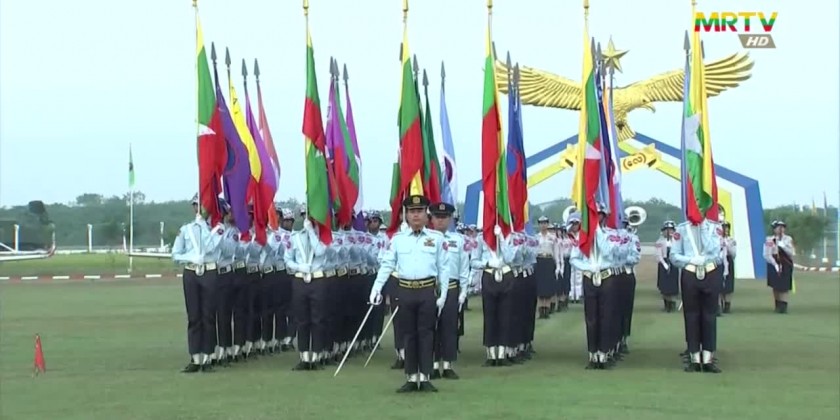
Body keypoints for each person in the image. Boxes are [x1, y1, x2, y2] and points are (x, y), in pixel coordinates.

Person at [369, 195, 449, 393]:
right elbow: (387, 264)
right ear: (406, 214)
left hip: (426, 290)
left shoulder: (436, 238)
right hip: (404, 290)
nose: (416, 215)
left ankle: (425, 376)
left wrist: (444, 294)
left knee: (426, 334)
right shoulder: (398, 240)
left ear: (426, 214)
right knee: (408, 335)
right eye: (412, 212)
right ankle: (411, 376)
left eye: (420, 211)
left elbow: (444, 268)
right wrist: (376, 287)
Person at [172, 195, 226, 373]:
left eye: (202, 206)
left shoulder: (217, 229)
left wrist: (204, 227)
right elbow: (175, 254)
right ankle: (195, 357)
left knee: (208, 316)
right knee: (194, 316)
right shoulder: (185, 230)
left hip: (209, 271)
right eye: (196, 205)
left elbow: (210, 248)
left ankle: (208, 357)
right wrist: (190, 257)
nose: (199, 209)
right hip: (191, 272)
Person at [568, 206, 622, 370]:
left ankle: (604, 354)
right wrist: (586, 267)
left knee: (606, 317)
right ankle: (593, 354)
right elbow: (573, 258)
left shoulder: (611, 235)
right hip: (590, 277)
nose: (596, 217)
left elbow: (610, 253)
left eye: (599, 215)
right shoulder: (583, 236)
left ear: (604, 217)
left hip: (606, 278)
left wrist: (597, 234)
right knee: (591, 318)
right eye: (593, 214)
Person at [670, 217, 724, 373]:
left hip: (710, 273)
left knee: (709, 316)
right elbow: (674, 255)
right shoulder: (681, 229)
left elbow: (718, 253)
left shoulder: (714, 228)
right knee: (691, 316)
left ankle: (708, 358)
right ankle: (694, 357)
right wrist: (690, 260)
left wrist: (705, 256)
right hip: (690, 273)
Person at [283, 208, 329, 371]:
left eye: (312, 215)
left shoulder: (323, 235)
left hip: (317, 279)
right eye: (306, 215)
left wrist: (311, 232)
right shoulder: (294, 237)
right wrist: (299, 266)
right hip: (300, 279)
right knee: (302, 319)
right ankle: (303, 356)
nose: (309, 218)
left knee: (317, 319)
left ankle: (316, 356)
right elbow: (287, 259)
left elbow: (320, 251)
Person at [429, 202, 469, 380]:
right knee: (431, 328)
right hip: (431, 288)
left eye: (444, 217)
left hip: (452, 288)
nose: (441, 221)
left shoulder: (459, 240)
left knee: (449, 327)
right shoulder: (426, 238)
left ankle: (448, 364)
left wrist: (464, 291)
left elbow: (464, 268)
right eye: (437, 217)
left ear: (450, 219)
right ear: (431, 219)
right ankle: (433, 364)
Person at [471, 220, 516, 367]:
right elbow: (474, 261)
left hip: (506, 275)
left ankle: (502, 353)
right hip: (489, 275)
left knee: (505, 315)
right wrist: (487, 264)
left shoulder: (509, 237)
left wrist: (502, 239)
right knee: (490, 315)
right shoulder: (480, 239)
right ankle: (491, 354)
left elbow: (510, 258)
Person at [764, 220, 795, 314]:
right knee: (775, 285)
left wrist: (783, 246)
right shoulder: (770, 239)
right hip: (773, 262)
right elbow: (767, 254)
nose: (781, 229)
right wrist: (775, 264)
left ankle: (784, 306)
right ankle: (777, 305)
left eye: (782, 227)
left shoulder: (788, 239)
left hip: (785, 263)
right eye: (778, 227)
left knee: (784, 286)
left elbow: (792, 253)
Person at [535, 217, 561, 319]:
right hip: (540, 260)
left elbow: (556, 252)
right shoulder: (536, 237)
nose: (543, 225)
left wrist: (558, 265)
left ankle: (547, 308)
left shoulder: (553, 238)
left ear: (548, 224)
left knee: (548, 285)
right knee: (540, 286)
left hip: (549, 260)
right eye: (541, 223)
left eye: (545, 223)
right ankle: (541, 308)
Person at [655, 221, 680, 312]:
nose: (669, 232)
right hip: (663, 263)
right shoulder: (660, 241)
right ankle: (666, 304)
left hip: (673, 263)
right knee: (664, 285)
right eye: (667, 230)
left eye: (670, 230)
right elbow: (658, 255)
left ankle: (672, 304)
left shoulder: (677, 241)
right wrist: (664, 264)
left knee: (673, 285)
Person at [720, 221, 737, 314]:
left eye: (726, 228)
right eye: (723, 227)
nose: (725, 230)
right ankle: (720, 303)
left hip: (728, 260)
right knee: (719, 283)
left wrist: (727, 245)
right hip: (719, 260)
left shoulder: (732, 240)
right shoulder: (716, 239)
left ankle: (727, 305)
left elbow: (734, 254)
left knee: (728, 284)